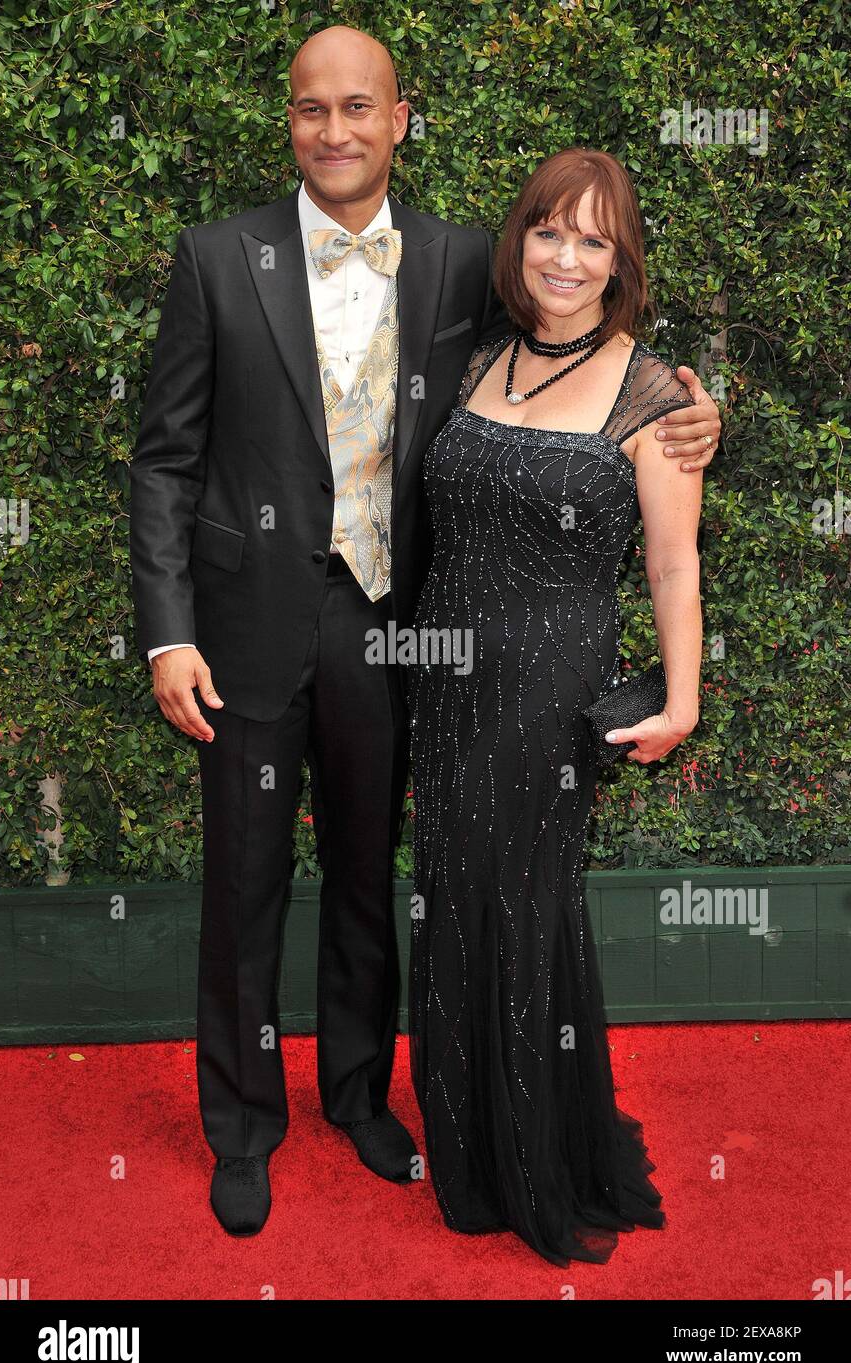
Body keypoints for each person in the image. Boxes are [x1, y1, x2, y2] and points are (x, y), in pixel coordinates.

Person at [129, 25, 720, 1239]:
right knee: (242, 882)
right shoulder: (212, 259)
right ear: (288, 122)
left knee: (365, 873)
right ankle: (244, 1127)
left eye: (359, 107)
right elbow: (163, 463)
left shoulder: (460, 264)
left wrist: (694, 406)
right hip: (241, 631)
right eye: (310, 109)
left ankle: (357, 1092)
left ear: (401, 118)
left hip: (397, 629)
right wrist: (167, 631)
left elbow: (582, 349)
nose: (334, 130)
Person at [408, 148, 704, 1266]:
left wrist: (680, 696)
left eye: (592, 239)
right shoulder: (480, 356)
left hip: (545, 694)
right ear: (518, 239)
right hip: (443, 686)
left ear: (620, 260)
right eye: (547, 230)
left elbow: (672, 567)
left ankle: (536, 1154)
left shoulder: (654, 395)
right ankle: (467, 1141)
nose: (564, 256)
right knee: (450, 897)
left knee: (522, 911)